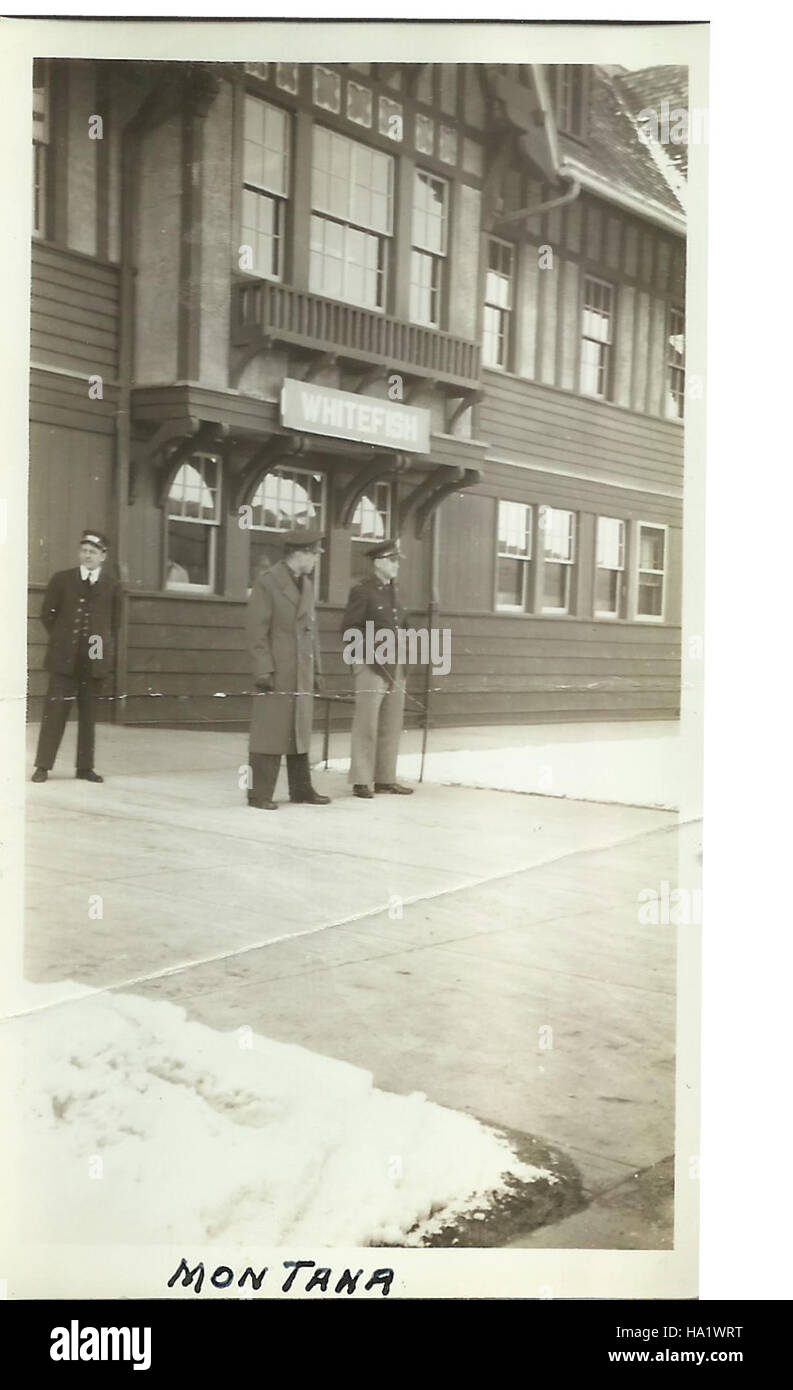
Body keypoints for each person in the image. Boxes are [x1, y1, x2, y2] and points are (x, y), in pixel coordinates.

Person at [245, 529, 330, 810]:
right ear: (300, 554)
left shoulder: (306, 584)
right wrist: (263, 670)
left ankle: (301, 790)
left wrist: (317, 670)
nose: (318, 559)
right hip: (277, 671)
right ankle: (258, 794)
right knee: (268, 732)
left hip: (301, 670)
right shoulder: (267, 583)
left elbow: (311, 632)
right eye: (315, 554)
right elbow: (256, 632)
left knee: (299, 731)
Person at [31, 528, 121, 784]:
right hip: (64, 660)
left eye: (93, 552)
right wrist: (63, 642)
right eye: (84, 550)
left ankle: (84, 768)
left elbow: (113, 626)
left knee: (88, 715)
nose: (87, 555)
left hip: (93, 661)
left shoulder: (112, 586)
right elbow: (47, 615)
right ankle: (42, 766)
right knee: (55, 713)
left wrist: (99, 655)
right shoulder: (62, 579)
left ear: (103, 556)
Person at [341, 539, 413, 799]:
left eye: (396, 561)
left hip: (395, 665)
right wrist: (365, 658)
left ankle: (385, 778)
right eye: (392, 561)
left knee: (391, 724)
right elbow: (350, 629)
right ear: (379, 562)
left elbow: (402, 625)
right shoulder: (363, 591)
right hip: (371, 665)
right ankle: (361, 780)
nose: (396, 566)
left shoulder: (395, 592)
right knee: (367, 724)